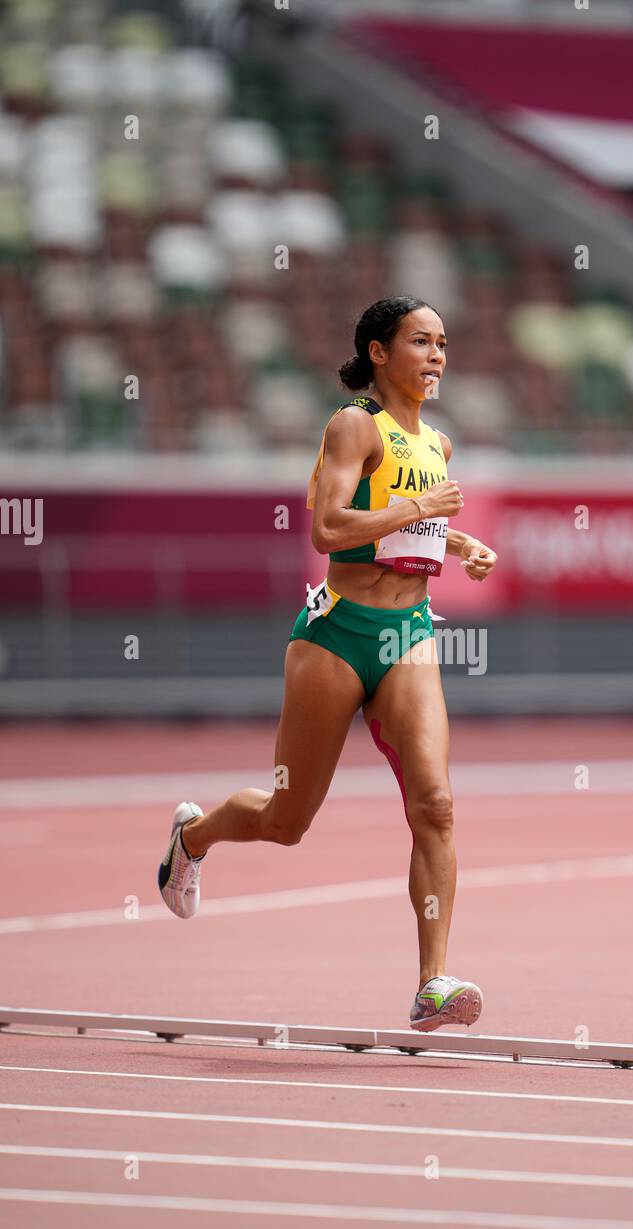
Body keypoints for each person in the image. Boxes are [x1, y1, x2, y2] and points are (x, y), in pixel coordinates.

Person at [158, 296, 498, 1031]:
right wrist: (420, 511)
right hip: (336, 636)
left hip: (408, 633)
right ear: (379, 352)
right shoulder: (353, 424)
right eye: (420, 342)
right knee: (287, 822)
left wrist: (459, 544)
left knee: (435, 804)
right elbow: (329, 526)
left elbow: (417, 526)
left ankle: (431, 982)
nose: (437, 356)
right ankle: (193, 836)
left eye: (443, 343)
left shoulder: (437, 444)